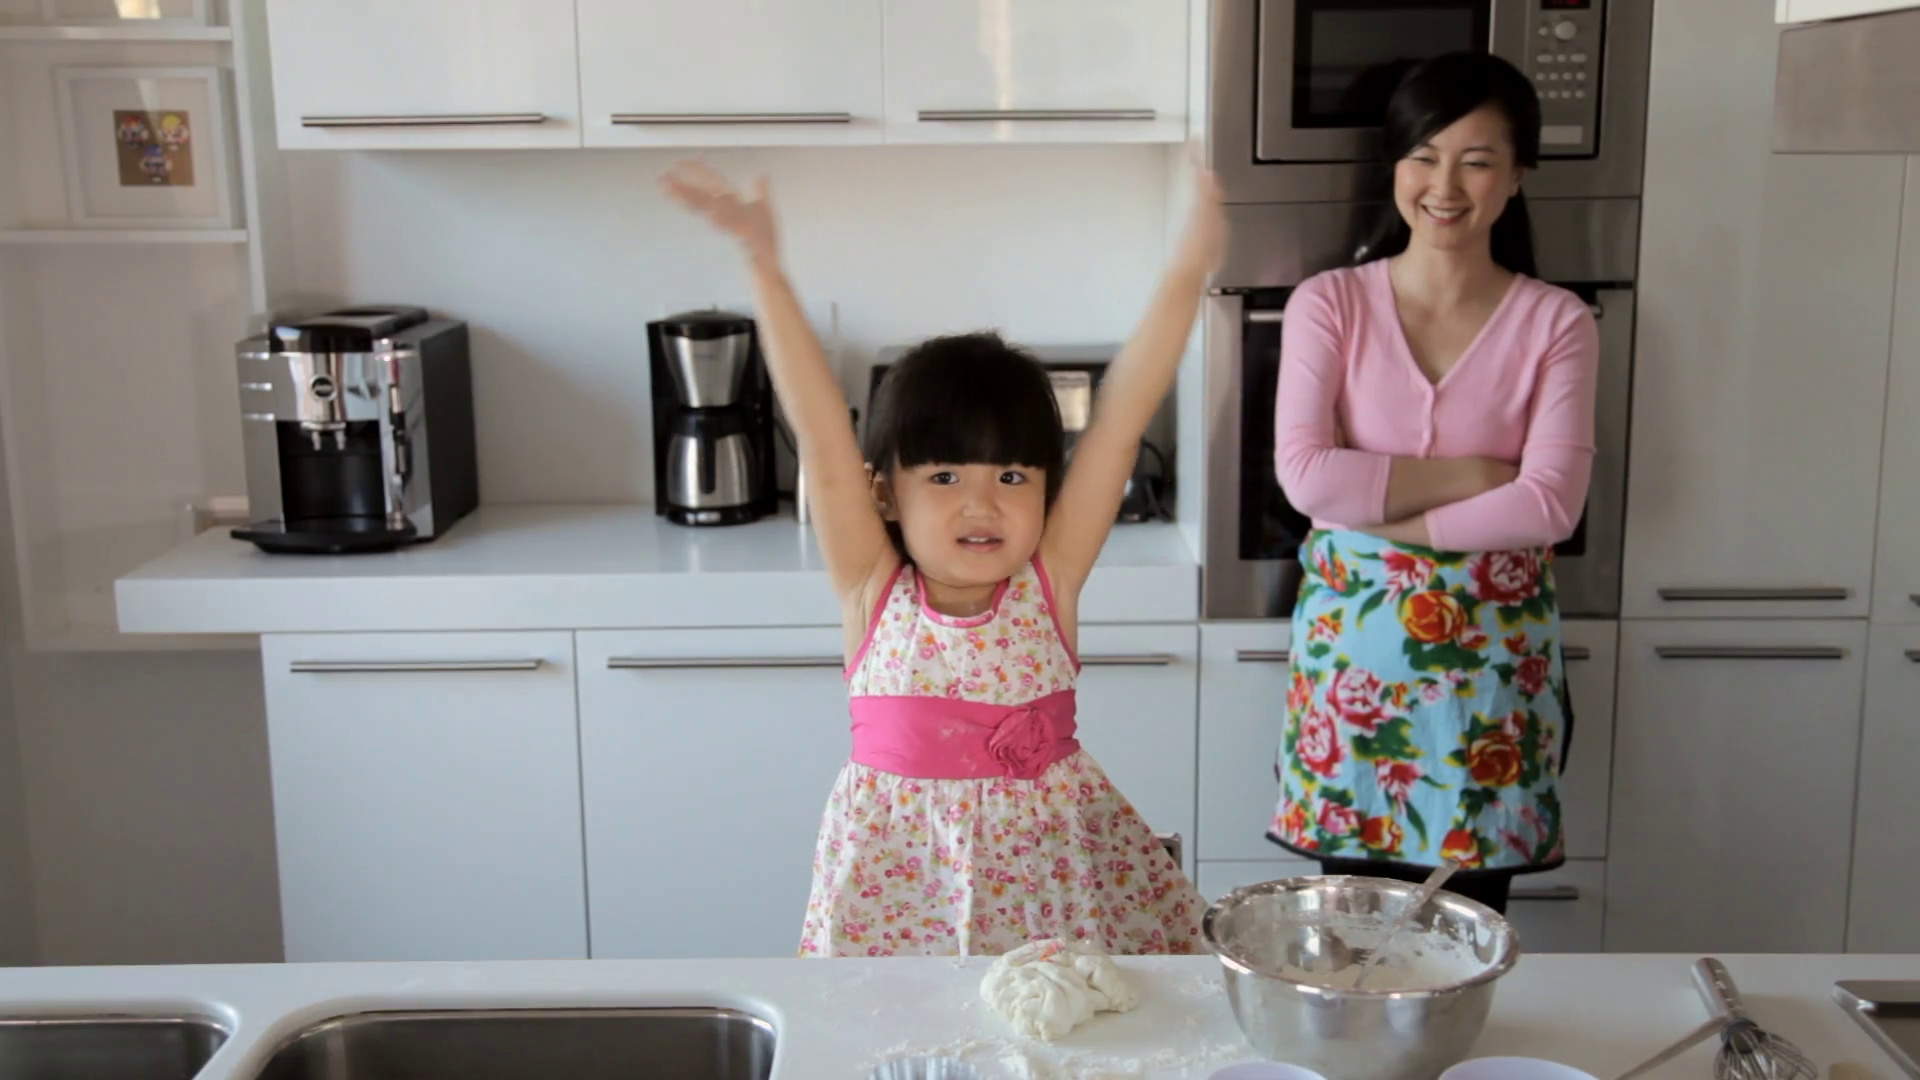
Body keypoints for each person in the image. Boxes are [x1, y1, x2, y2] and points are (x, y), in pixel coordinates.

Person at [661, 155, 1226, 957]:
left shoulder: (1048, 582)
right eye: (945, 475)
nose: (982, 502)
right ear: (883, 493)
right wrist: (763, 263)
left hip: (1048, 901)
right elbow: (822, 434)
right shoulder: (872, 589)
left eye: (1013, 474)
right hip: (897, 894)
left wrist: (1187, 268)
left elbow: (1122, 414)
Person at [1268, 51, 1599, 915]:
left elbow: (1551, 502)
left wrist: (1385, 516)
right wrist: (1475, 477)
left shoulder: (1556, 321)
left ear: (1518, 175)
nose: (1444, 184)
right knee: (1344, 938)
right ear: (1395, 164)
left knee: (1468, 932)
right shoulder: (1330, 303)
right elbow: (1306, 478)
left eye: (1478, 160)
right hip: (1355, 673)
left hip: (1491, 682)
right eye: (1424, 154)